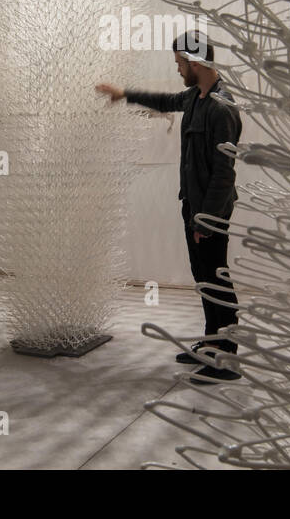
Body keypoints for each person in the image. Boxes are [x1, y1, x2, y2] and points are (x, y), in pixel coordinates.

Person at [96, 30, 243, 383]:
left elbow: (224, 172)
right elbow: (165, 101)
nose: (177, 69)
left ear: (194, 62)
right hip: (193, 205)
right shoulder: (195, 98)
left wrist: (205, 221)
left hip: (211, 211)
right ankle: (211, 343)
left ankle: (226, 357)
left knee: (216, 280)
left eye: (179, 63)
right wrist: (125, 94)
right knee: (204, 279)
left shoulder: (222, 108)